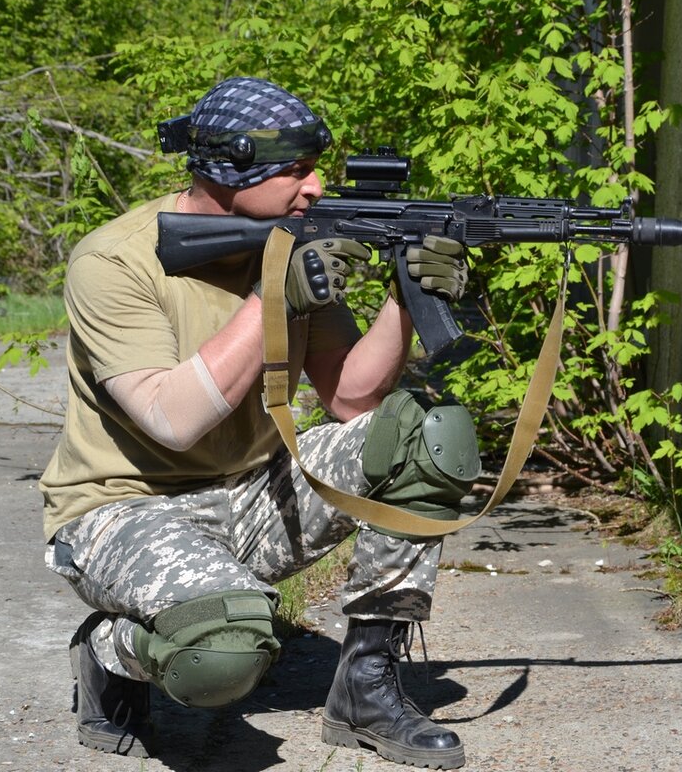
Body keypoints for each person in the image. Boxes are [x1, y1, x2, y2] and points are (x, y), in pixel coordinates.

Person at [39, 76, 477, 770]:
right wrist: (273, 292)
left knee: (424, 434)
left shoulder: (289, 245)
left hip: (253, 495)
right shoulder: (114, 261)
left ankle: (366, 684)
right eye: (296, 171)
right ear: (227, 170)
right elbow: (171, 418)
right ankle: (107, 654)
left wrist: (408, 294)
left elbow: (352, 401)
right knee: (220, 660)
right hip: (121, 511)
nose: (317, 186)